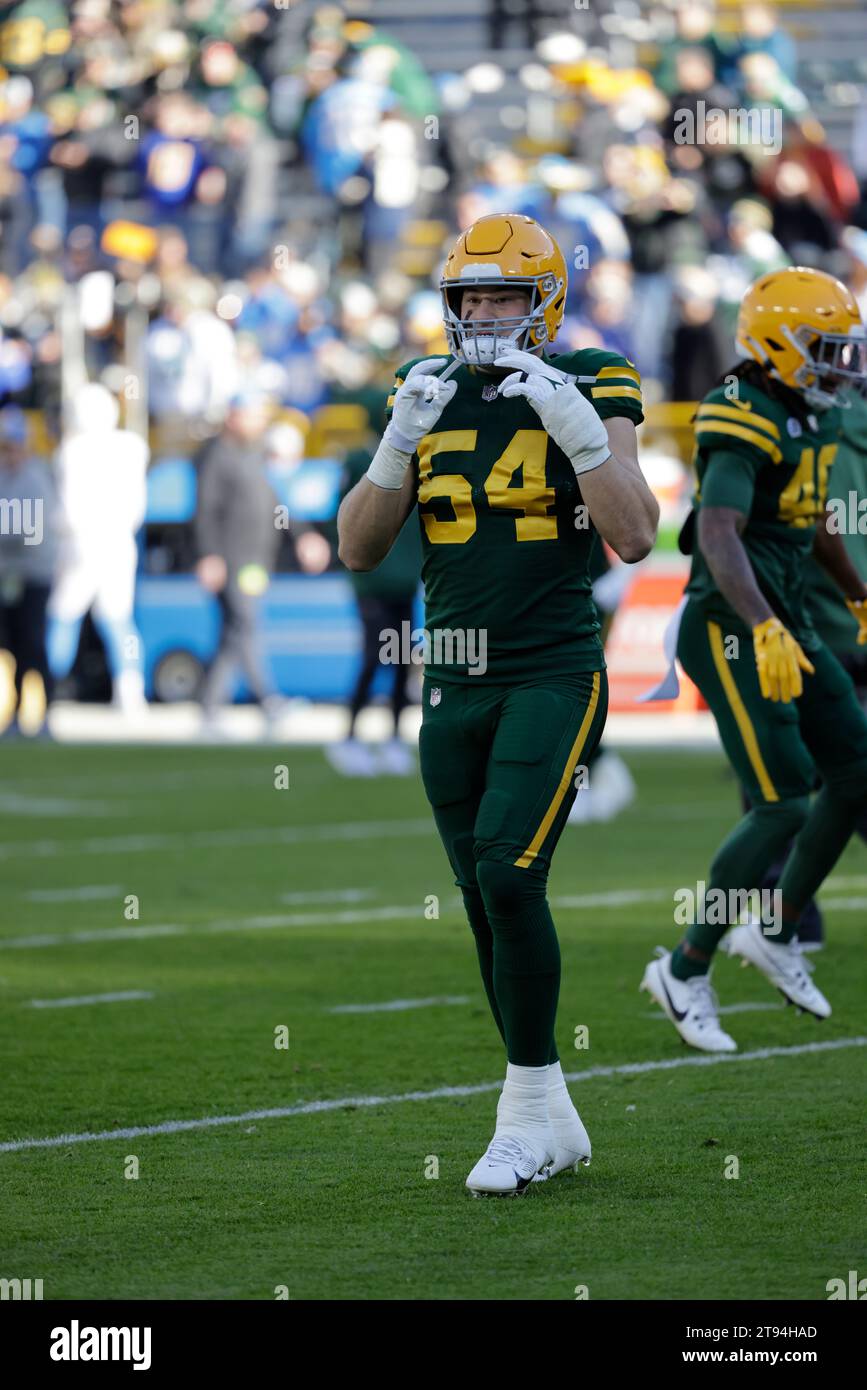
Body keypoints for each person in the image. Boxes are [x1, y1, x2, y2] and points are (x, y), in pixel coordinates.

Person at [338, 213, 658, 1195]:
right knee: (484, 899)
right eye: (469, 297)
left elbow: (638, 533)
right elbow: (357, 546)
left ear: (545, 303)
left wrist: (578, 435)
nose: (483, 314)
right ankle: (547, 1110)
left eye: (504, 297)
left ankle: (520, 1114)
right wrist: (397, 444)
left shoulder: (595, 376)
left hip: (552, 670)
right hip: (453, 683)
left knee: (509, 876)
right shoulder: (421, 388)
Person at [641, 267, 867, 1051]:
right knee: (780, 802)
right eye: (826, 347)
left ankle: (770, 933)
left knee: (854, 768)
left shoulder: (815, 415)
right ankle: (684, 966)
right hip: (728, 625)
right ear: (778, 344)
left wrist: (859, 596)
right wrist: (761, 623)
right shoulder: (741, 410)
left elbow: (813, 524)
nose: (841, 362)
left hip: (789, 617)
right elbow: (715, 532)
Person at [48, 383, 149, 714]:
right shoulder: (132, 446)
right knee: (118, 620)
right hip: (119, 543)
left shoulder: (72, 450)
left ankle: (45, 689)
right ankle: (130, 691)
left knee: (63, 616)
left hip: (82, 543)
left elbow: (67, 509)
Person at [329, 443, 421, 777]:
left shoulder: (422, 450)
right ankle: (350, 736)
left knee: (400, 659)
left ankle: (394, 738)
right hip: (371, 580)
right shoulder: (359, 457)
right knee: (372, 656)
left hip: (405, 580)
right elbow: (342, 513)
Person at [194, 392, 282, 731]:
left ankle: (209, 705)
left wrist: (302, 535)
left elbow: (274, 501)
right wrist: (209, 555)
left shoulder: (253, 454)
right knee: (243, 625)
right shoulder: (217, 455)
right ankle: (268, 699)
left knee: (233, 630)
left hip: (255, 560)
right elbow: (205, 510)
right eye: (251, 415)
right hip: (232, 559)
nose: (257, 422)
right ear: (233, 416)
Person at [0, 405, 56, 736]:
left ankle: (45, 712)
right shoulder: (4, 477)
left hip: (33, 576)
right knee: (12, 646)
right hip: (8, 577)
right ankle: (17, 712)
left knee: (33, 644)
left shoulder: (36, 477)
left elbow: (31, 534)